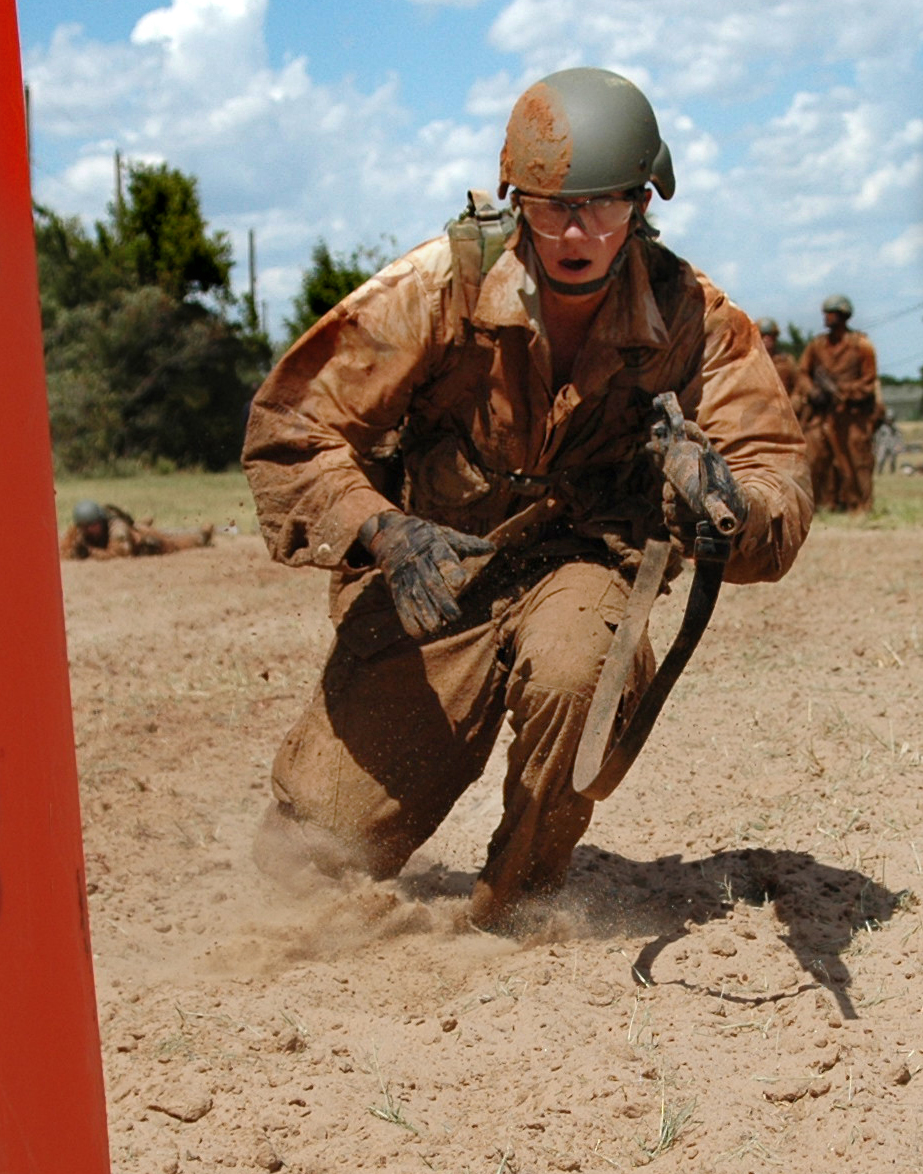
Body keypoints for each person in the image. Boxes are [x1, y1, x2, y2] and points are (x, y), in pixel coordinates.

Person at [242, 67, 812, 934]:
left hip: (587, 562)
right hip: (438, 569)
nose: (575, 231)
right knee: (309, 861)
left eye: (604, 206)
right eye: (550, 207)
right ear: (516, 200)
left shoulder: (693, 315)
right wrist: (380, 529)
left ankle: (515, 906)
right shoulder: (439, 285)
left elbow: (774, 468)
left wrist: (725, 504)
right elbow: (293, 427)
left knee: (576, 671)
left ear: (643, 202)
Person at [795, 296, 879, 513]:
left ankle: (861, 506)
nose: (826, 317)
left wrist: (843, 391)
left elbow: (869, 381)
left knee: (857, 460)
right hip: (824, 414)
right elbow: (803, 372)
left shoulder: (861, 345)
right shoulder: (817, 345)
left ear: (842, 316)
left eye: (831, 313)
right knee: (814, 457)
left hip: (852, 415)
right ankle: (821, 503)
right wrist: (813, 391)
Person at [60, 499, 214, 560]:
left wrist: (89, 551)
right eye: (84, 527)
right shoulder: (81, 531)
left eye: (93, 525)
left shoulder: (117, 529)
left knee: (173, 543)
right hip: (131, 532)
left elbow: (118, 553)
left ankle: (202, 536)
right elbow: (64, 550)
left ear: (102, 521)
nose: (89, 530)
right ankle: (144, 523)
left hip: (143, 543)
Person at [757, 318, 800, 399]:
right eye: (763, 335)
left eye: (771, 335)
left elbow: (799, 383)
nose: (767, 338)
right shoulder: (749, 363)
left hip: (783, 407)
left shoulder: (787, 361)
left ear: (775, 337)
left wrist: (795, 398)